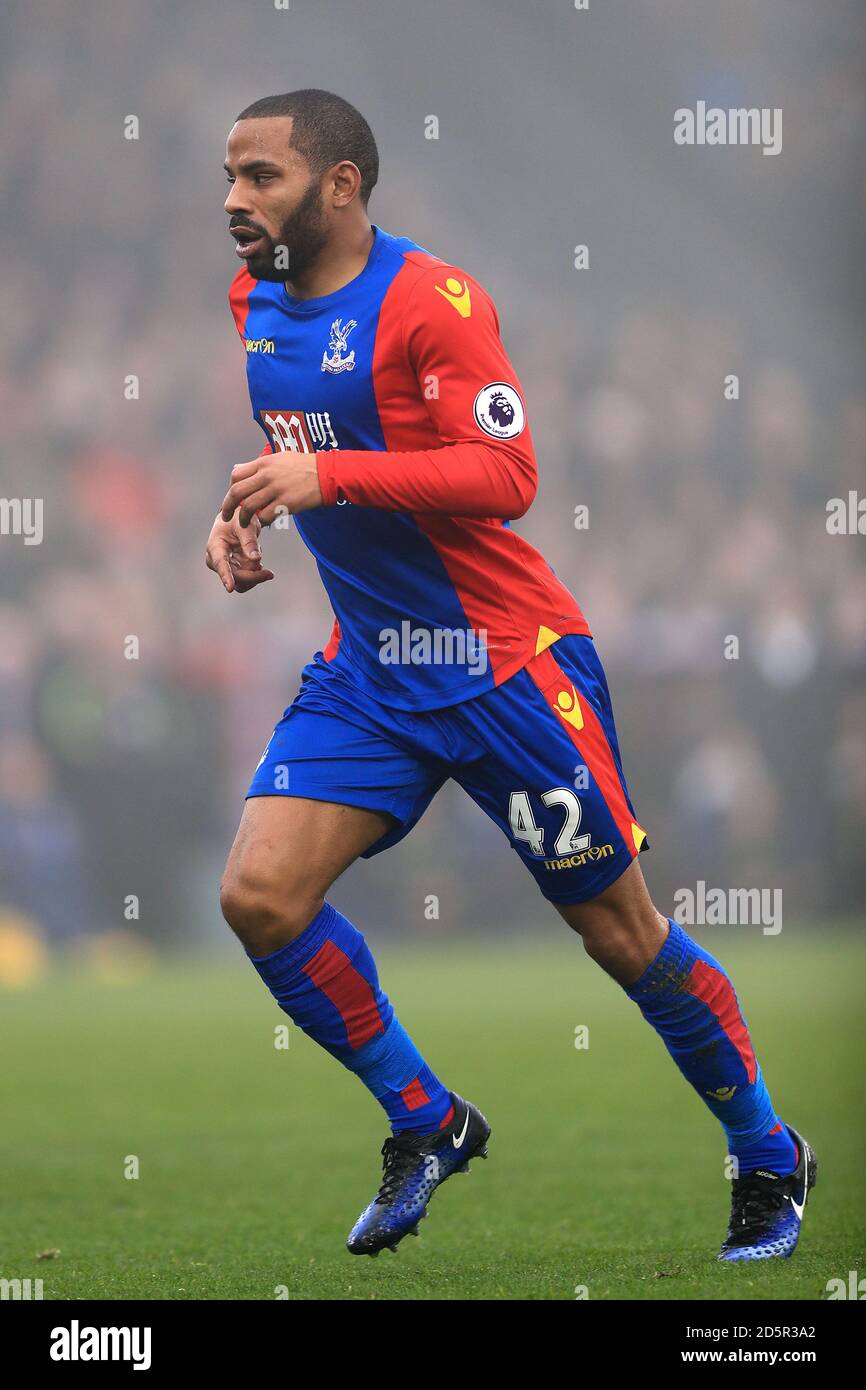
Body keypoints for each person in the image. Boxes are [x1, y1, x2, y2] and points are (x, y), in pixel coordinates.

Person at [207, 88, 816, 1260]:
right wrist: (241, 516)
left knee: (619, 935)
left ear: (340, 185)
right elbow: (307, 456)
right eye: (229, 178)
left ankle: (764, 1148)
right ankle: (426, 1119)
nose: (235, 201)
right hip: (372, 671)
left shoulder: (431, 303)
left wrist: (327, 484)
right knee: (259, 897)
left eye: (261, 178)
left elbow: (504, 472)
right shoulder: (255, 299)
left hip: (503, 665)